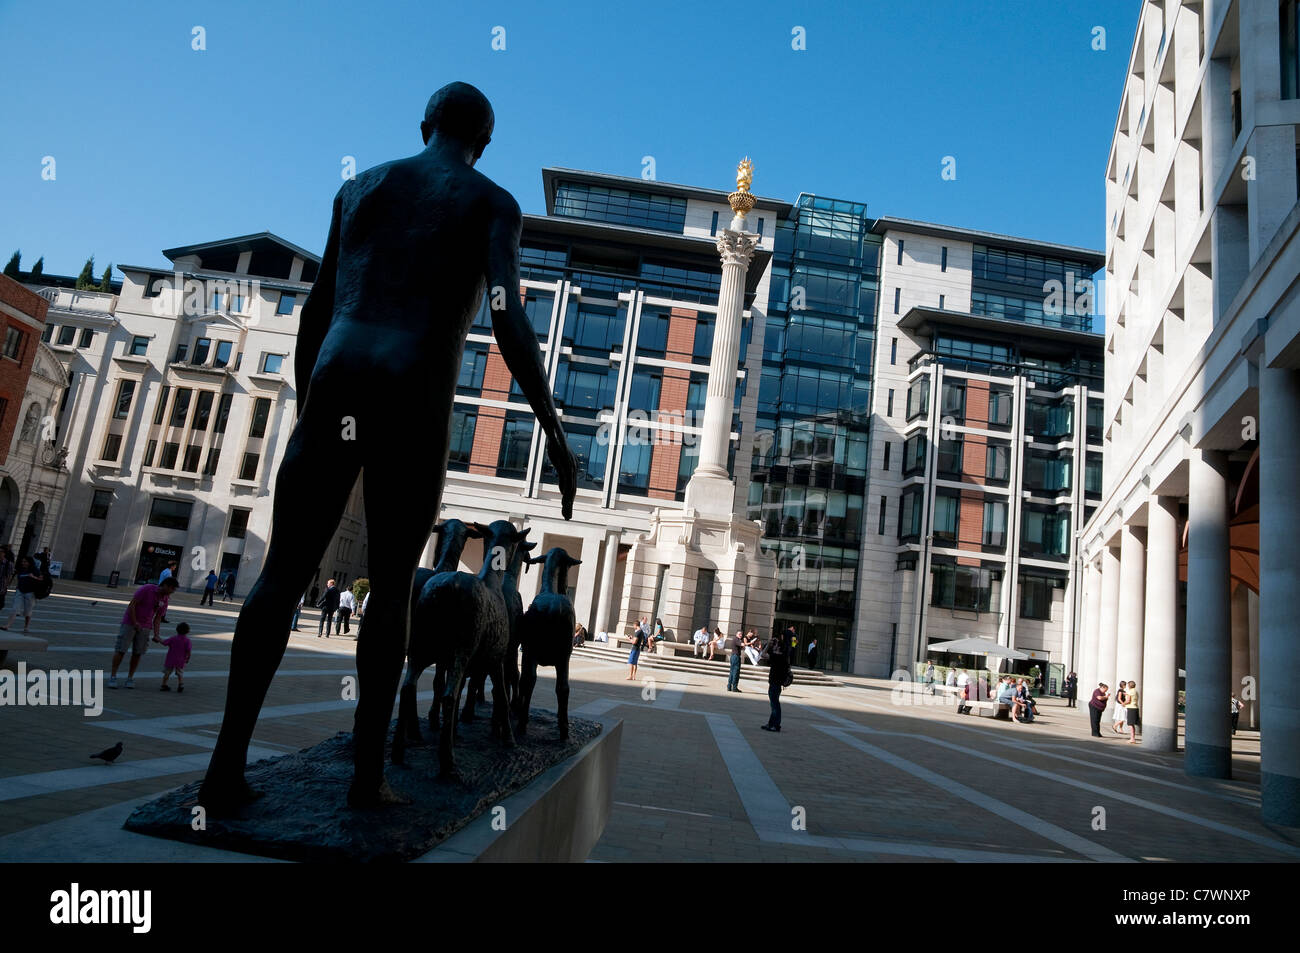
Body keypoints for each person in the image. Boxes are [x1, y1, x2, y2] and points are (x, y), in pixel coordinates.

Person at [200, 82, 580, 811]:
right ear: (485, 143)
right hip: (414, 382)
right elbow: (506, 314)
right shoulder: (491, 202)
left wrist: (314, 402)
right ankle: (367, 776)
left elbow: (317, 308)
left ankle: (224, 769)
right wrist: (553, 428)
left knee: (280, 576)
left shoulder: (360, 188)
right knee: (392, 588)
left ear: (425, 123)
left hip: (339, 370)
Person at [110, 576, 177, 688]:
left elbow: (158, 618)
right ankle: (113, 676)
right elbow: (132, 604)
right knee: (121, 650)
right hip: (130, 623)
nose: (172, 592)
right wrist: (135, 621)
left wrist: (156, 634)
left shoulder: (165, 599)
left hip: (145, 627)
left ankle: (130, 678)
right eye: (172, 589)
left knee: (137, 653)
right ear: (166, 585)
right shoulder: (147, 589)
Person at [761, 626, 793, 732]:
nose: (780, 637)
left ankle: (775, 725)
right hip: (778, 682)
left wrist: (769, 645)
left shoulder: (778, 655)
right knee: (775, 703)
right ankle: (771, 723)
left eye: (782, 636)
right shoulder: (786, 653)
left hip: (775, 682)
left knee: (775, 704)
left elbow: (763, 654)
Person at [0, 556, 44, 633]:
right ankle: (7, 626)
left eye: (25, 562)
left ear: (29, 562)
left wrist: (33, 577)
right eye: (22, 561)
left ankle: (26, 626)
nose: (23, 563)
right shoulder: (21, 569)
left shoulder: (35, 570)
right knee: (14, 608)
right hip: (20, 591)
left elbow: (41, 579)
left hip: (30, 593)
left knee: (28, 611)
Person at [155, 621, 193, 693]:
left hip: (170, 659)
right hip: (181, 660)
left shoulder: (173, 638)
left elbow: (164, 643)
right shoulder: (187, 641)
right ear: (187, 631)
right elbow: (188, 651)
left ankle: (164, 685)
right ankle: (180, 684)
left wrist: (158, 639)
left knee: (167, 672)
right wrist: (188, 658)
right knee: (180, 673)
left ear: (177, 630)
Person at [726, 628, 744, 692]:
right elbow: (742, 645)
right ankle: (734, 687)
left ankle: (729, 686)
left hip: (734, 656)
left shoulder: (737, 640)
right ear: (736, 634)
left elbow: (741, 647)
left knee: (732, 672)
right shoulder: (736, 639)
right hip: (735, 657)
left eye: (741, 634)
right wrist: (749, 642)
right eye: (739, 634)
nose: (740, 635)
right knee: (736, 672)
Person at [0, 545, 15, 613]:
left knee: (0, 605)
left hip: (1, 587)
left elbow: (9, 576)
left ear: (5, 553)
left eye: (1, 552)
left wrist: (6, 587)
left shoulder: (9, 564)